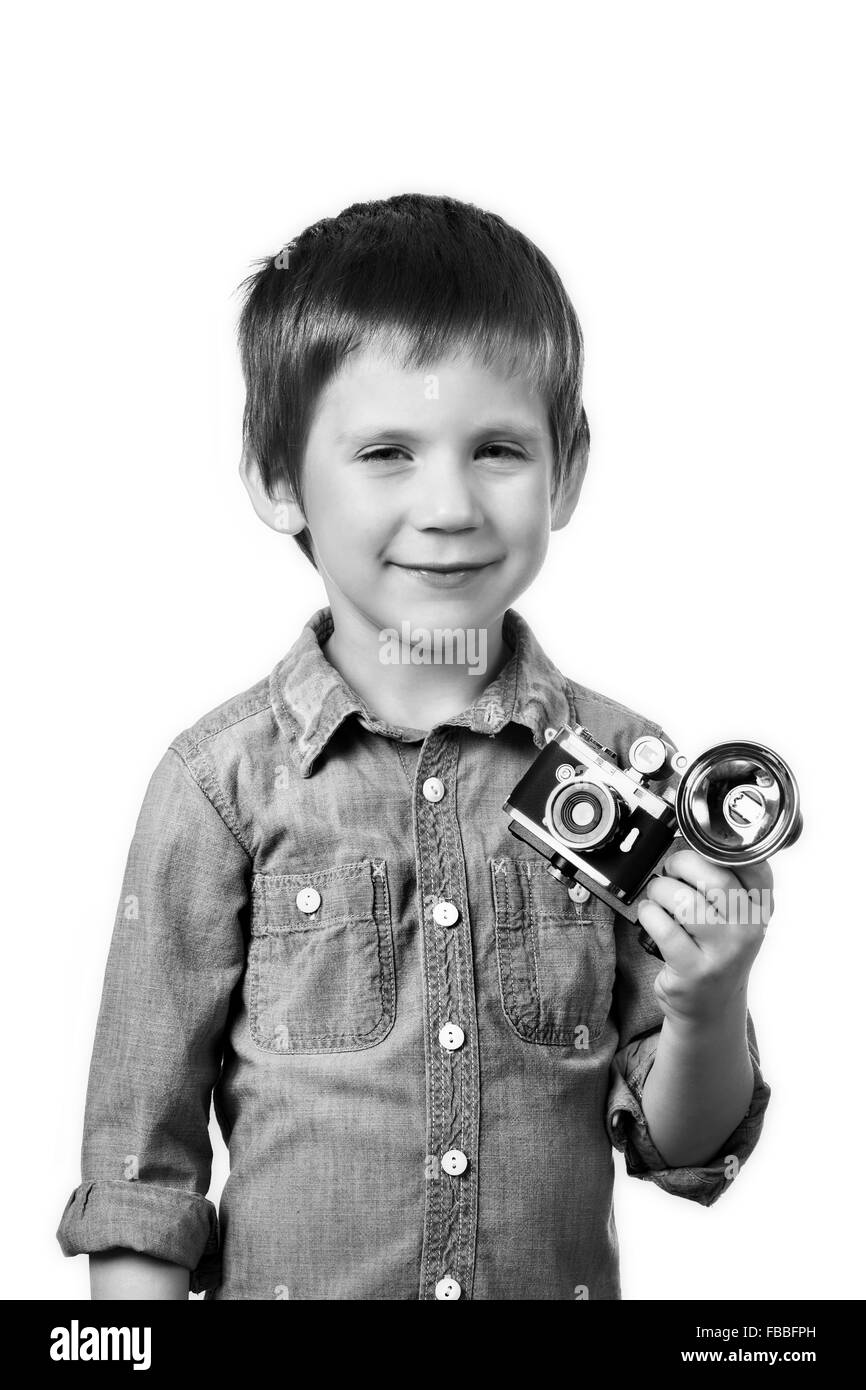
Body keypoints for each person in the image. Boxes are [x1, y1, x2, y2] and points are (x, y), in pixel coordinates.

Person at [56, 193, 772, 1300]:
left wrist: (709, 998)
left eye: (496, 449)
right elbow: (141, 1171)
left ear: (566, 470)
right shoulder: (219, 785)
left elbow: (684, 1149)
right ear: (277, 476)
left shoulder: (629, 768)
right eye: (386, 451)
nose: (446, 505)